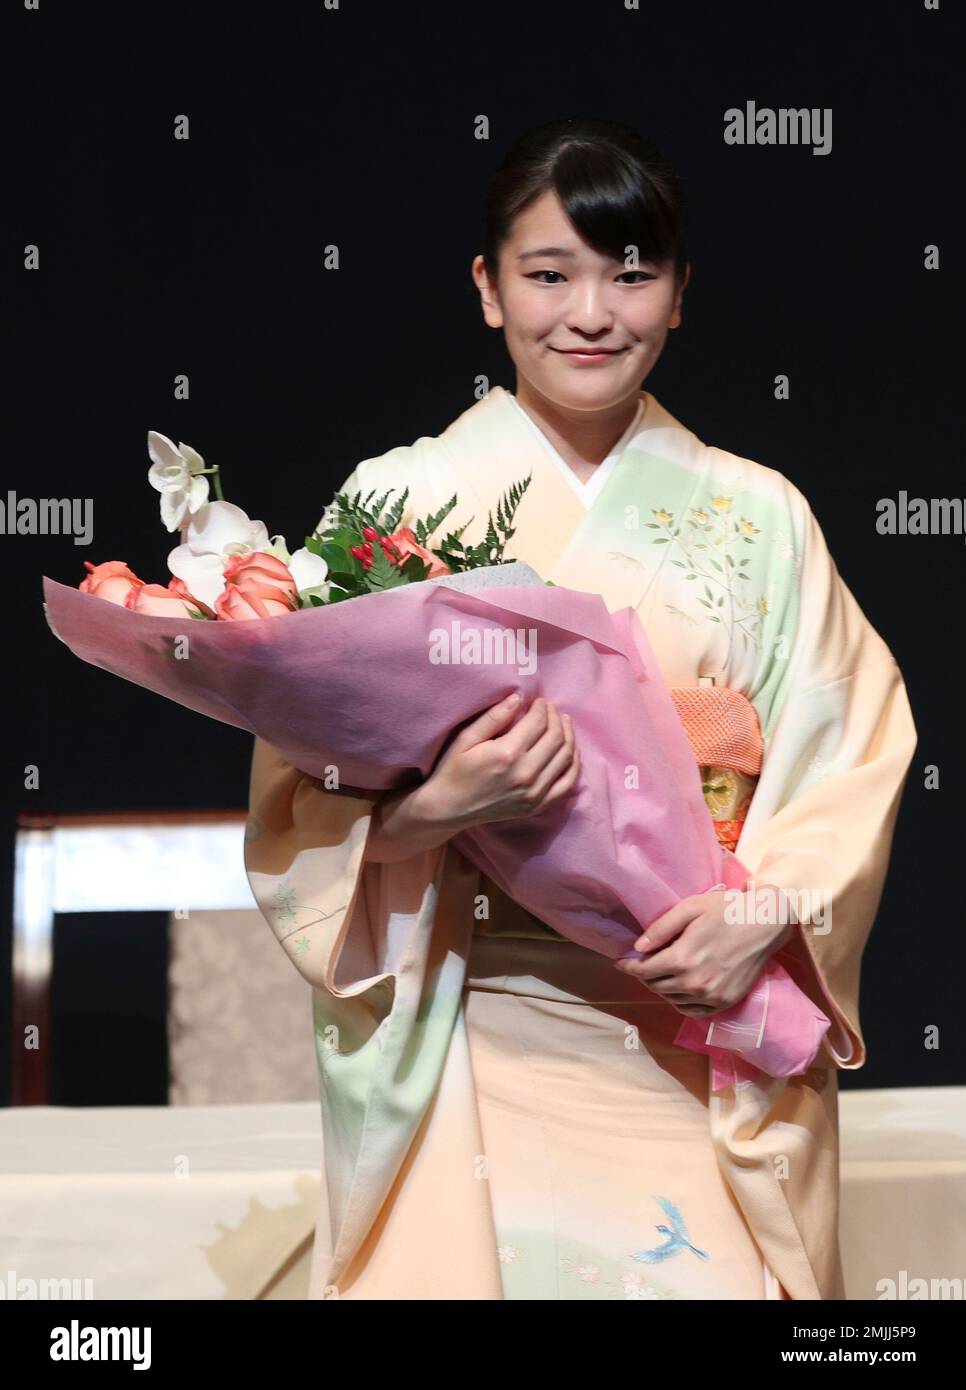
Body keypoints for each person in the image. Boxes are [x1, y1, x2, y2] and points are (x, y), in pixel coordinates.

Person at [244, 116, 917, 1300]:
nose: (592, 313)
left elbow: (850, 749)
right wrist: (440, 808)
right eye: (549, 275)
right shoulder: (395, 502)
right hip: (466, 1018)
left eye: (632, 274)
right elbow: (306, 803)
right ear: (488, 290)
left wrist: (764, 912)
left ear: (679, 293)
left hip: (691, 1011)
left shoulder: (760, 515)